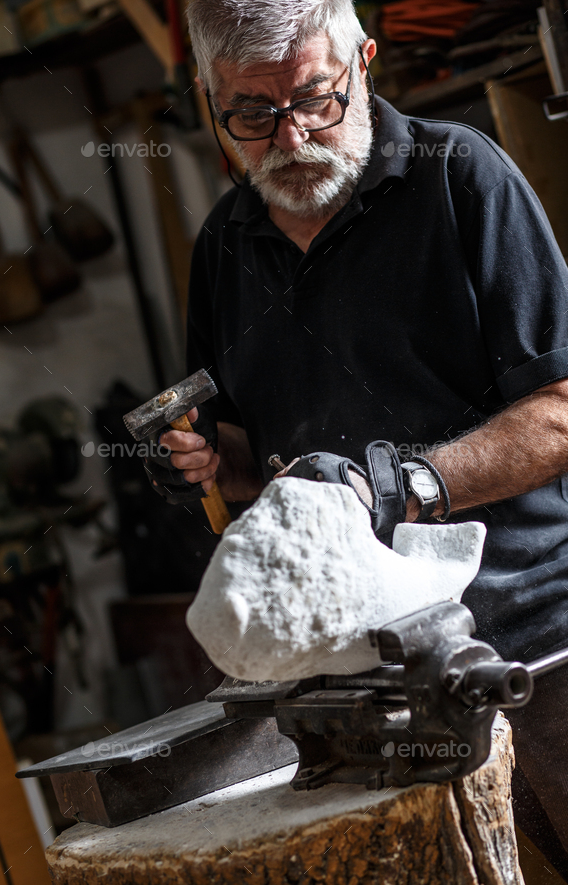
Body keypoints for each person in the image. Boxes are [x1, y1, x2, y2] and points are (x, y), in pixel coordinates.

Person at [146, 0, 568, 869]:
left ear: (364, 62)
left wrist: (406, 483)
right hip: (368, 692)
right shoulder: (225, 246)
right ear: (209, 101)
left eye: (316, 99)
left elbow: (561, 408)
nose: (292, 138)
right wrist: (205, 461)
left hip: (536, 650)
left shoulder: (462, 179)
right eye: (253, 116)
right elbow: (245, 461)